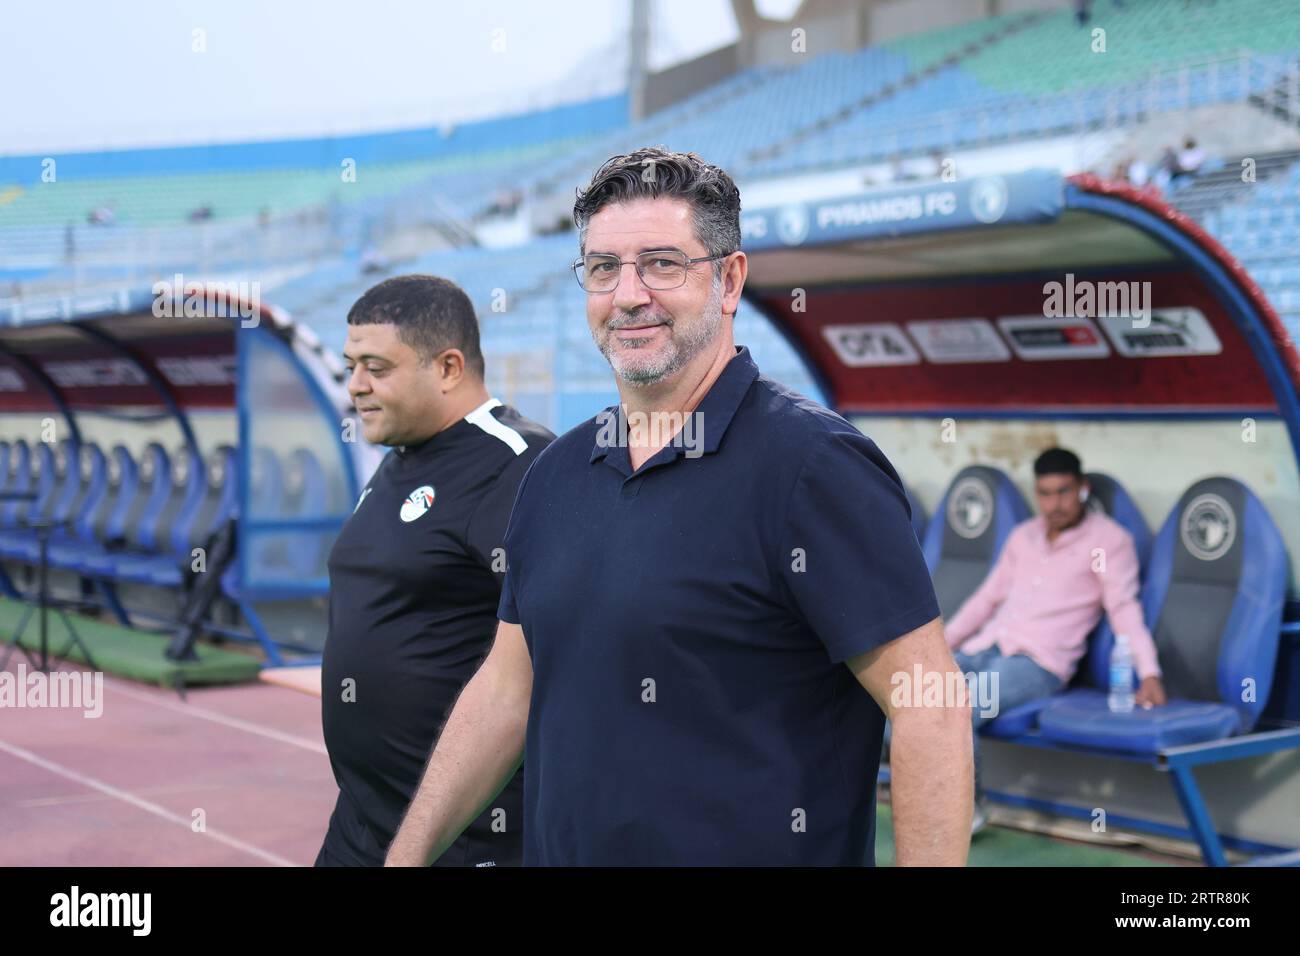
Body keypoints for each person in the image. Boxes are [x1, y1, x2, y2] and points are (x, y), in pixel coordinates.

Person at [386, 147, 971, 867]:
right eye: (604, 268)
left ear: (729, 280)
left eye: (662, 263)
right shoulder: (556, 474)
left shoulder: (815, 468)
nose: (628, 294)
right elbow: (507, 689)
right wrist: (403, 858)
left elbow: (930, 704)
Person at [315, 275, 554, 866]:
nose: (355, 387)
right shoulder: (399, 456)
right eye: (350, 366)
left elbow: (552, 656)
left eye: (376, 367)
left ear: (448, 367)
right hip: (363, 821)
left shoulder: (518, 463)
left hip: (467, 838)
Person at [941, 447, 1167, 831]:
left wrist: (1149, 673)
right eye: (1045, 493)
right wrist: (939, 647)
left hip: (1038, 662)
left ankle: (965, 814)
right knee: (915, 696)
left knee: (959, 709)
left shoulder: (1109, 541)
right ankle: (920, 802)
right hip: (987, 646)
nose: (1054, 503)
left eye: (1064, 492)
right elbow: (984, 600)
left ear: (1083, 489)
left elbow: (1124, 610)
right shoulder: (1022, 536)